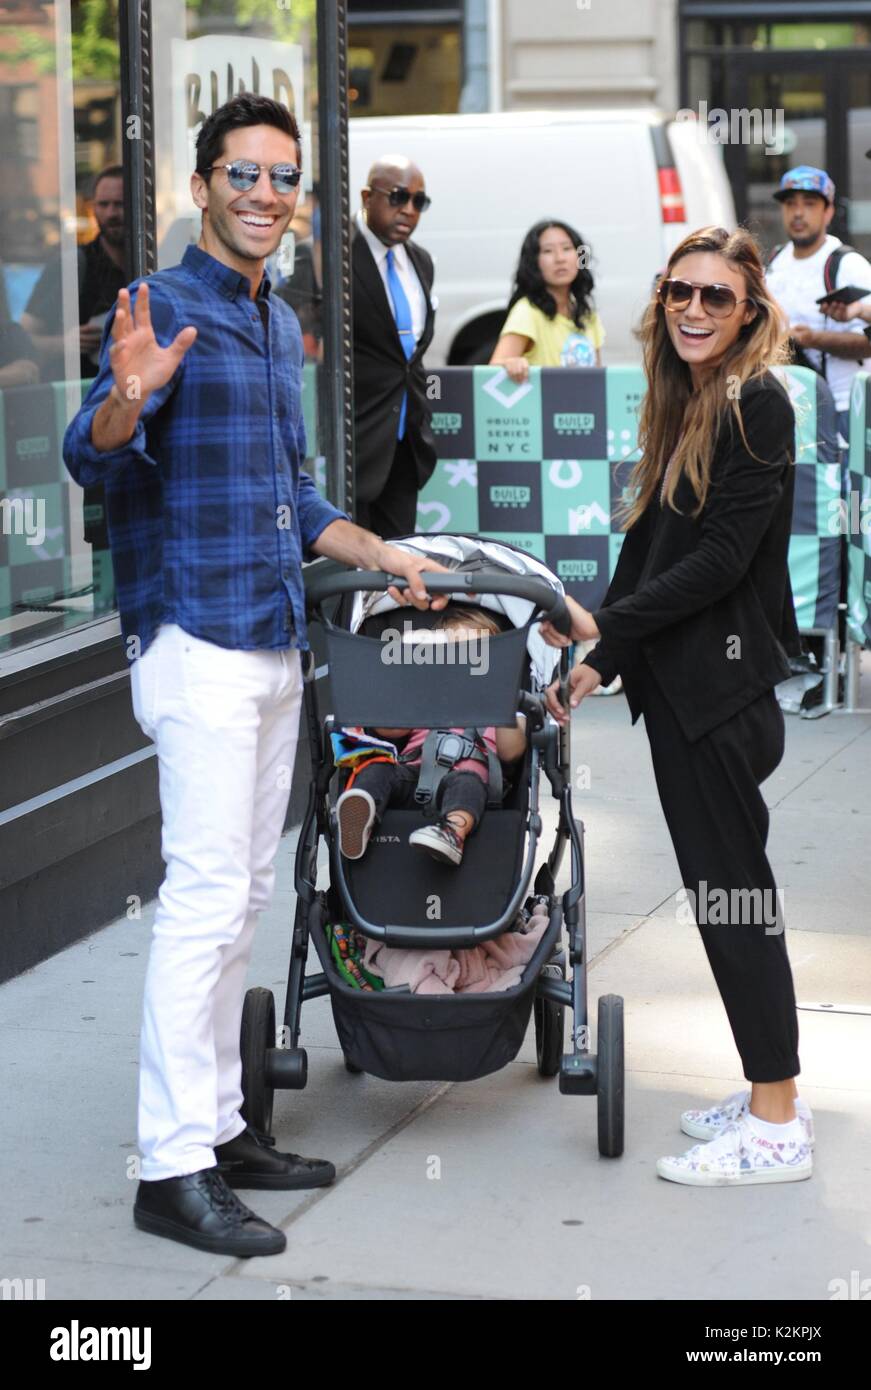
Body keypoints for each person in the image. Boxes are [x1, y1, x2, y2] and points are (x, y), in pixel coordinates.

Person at [63, 93, 449, 1260]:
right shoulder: (161, 307)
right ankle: (169, 1165)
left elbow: (297, 494)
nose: (266, 195)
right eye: (245, 175)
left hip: (274, 636)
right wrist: (129, 389)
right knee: (200, 899)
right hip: (198, 639)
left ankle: (224, 1128)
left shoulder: (275, 321)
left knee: (238, 899)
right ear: (201, 187)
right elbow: (90, 453)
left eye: (284, 179)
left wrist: (380, 550)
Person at [541, 225, 815, 1188]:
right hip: (686, 692)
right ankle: (766, 1089)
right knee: (724, 898)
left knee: (736, 903)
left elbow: (716, 565)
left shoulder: (756, 405)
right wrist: (601, 657)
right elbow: (652, 548)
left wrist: (596, 626)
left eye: (717, 298)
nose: (695, 311)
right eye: (680, 295)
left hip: (718, 698)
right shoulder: (688, 400)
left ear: (750, 313)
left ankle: (777, 1119)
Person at [336, 607, 526, 868]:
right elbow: (387, 730)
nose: (464, 662)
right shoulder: (425, 696)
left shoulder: (501, 703)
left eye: (476, 654)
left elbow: (511, 752)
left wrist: (503, 698)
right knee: (381, 769)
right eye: (454, 653)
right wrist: (408, 672)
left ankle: (452, 833)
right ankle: (359, 813)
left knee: (467, 784)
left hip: (468, 780)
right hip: (414, 775)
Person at [352, 155, 436, 538]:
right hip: (353, 442)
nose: (409, 210)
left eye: (419, 202)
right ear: (367, 197)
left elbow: (410, 359)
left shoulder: (421, 261)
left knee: (399, 566)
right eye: (398, 197)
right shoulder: (332, 255)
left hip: (405, 444)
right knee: (348, 577)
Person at [765, 165, 871, 446]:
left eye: (809, 204)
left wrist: (813, 339)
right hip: (791, 409)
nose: (798, 213)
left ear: (828, 212)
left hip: (846, 409)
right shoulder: (774, 263)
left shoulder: (847, 264)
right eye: (790, 204)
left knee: (852, 491)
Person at [490, 220, 605, 383]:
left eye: (567, 248)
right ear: (533, 262)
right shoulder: (527, 311)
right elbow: (493, 370)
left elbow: (597, 375)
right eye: (548, 251)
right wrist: (511, 364)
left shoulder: (588, 313)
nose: (560, 258)